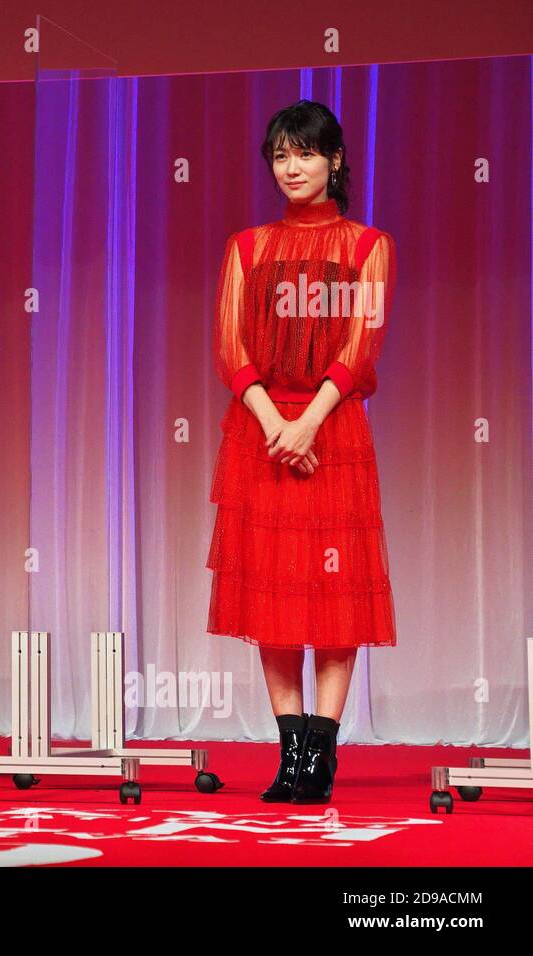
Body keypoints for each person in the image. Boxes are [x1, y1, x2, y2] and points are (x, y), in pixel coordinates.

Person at [207, 100, 397, 804]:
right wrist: (276, 427)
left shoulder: (369, 246)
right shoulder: (247, 247)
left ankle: (322, 752)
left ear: (335, 160)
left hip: (333, 428)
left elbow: (361, 347)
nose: (292, 168)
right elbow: (231, 350)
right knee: (273, 596)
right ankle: (289, 756)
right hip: (261, 433)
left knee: (336, 598)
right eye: (281, 156)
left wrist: (310, 423)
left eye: (306, 153)